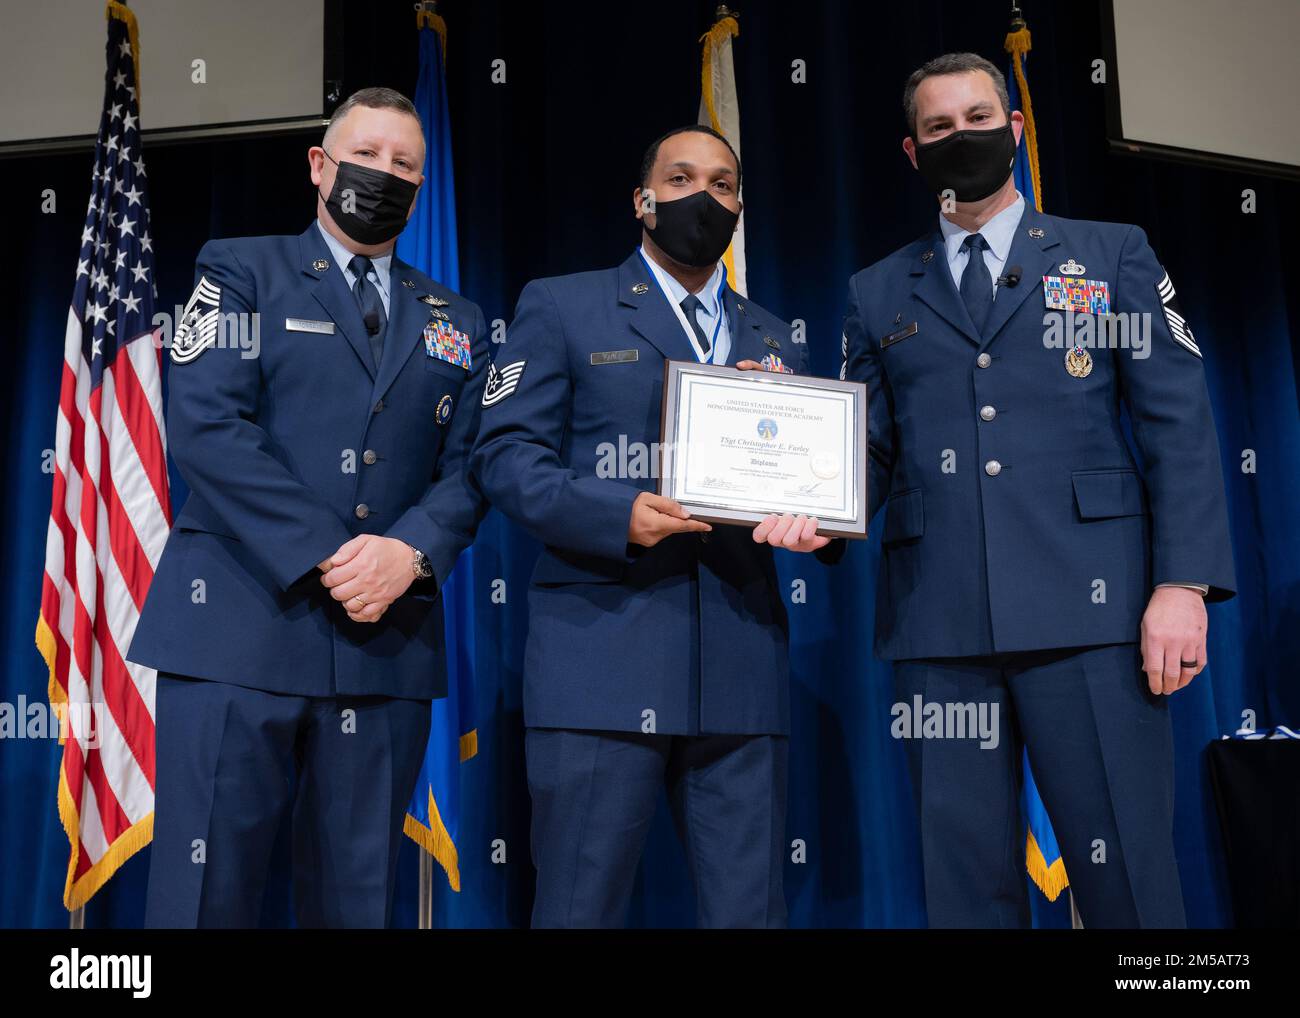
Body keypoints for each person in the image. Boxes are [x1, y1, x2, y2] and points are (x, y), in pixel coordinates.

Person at [835, 53, 1236, 927]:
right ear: (912, 152)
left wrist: (1184, 584)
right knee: (964, 889)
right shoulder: (874, 292)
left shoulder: (1110, 254)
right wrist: (808, 507)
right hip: (938, 624)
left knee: (1130, 877)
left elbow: (1178, 424)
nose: (962, 137)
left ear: (1015, 129)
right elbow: (862, 452)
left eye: (980, 118)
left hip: (1096, 614)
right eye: (939, 127)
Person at [128, 87, 489, 927]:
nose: (385, 174)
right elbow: (207, 429)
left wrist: (410, 553)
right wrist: (338, 553)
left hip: (383, 642)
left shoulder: (459, 318)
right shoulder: (239, 269)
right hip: (238, 632)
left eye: (405, 164)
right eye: (367, 155)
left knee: (357, 904)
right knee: (204, 895)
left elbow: (475, 467)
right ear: (320, 166)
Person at [471, 125, 827, 928]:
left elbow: (808, 479)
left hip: (740, 671)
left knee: (751, 918)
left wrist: (821, 526)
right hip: (601, 661)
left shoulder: (771, 334)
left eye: (725, 184)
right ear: (644, 201)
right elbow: (502, 456)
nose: (705, 196)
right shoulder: (561, 305)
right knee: (577, 913)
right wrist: (616, 514)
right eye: (682, 178)